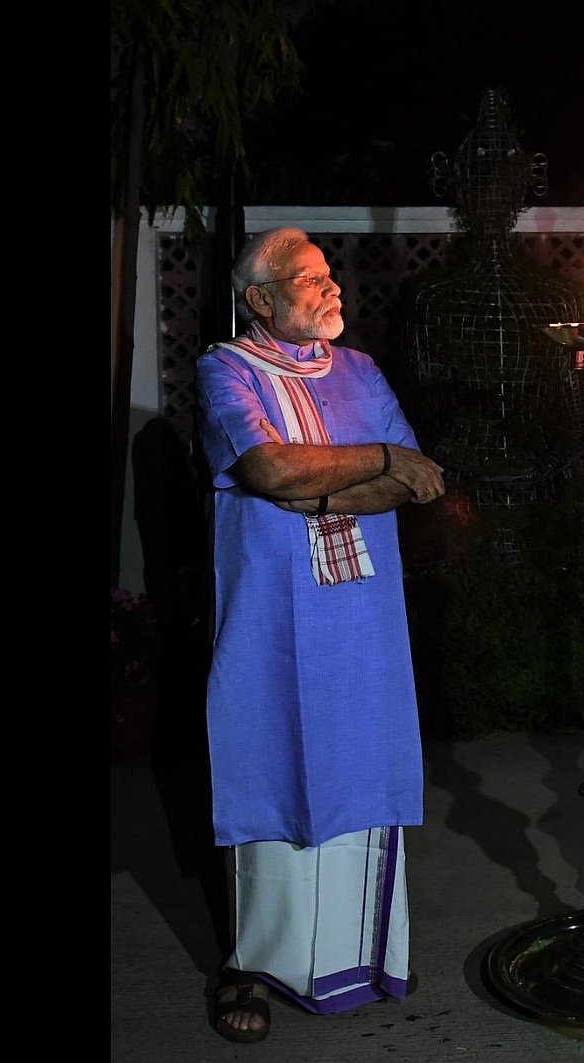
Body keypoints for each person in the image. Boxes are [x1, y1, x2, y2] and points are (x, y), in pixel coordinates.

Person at [193, 226, 446, 1043]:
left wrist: (325, 492)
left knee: (359, 761)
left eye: (330, 275)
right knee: (269, 759)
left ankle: (357, 955)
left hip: (362, 612)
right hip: (273, 611)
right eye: (309, 278)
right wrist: (366, 459)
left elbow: (414, 476)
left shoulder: (361, 371)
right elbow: (265, 467)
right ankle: (252, 964)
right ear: (261, 299)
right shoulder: (225, 368)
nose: (331, 288)